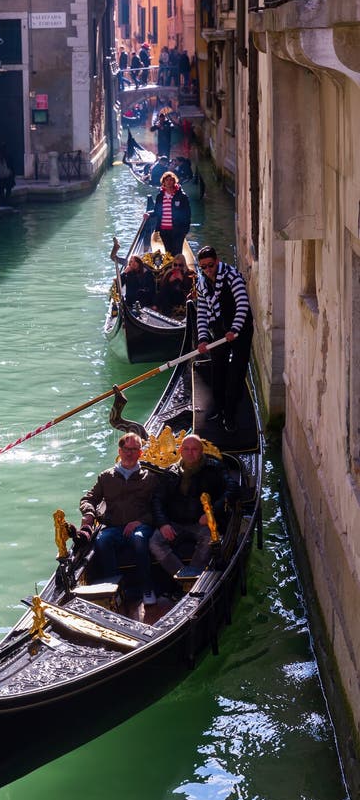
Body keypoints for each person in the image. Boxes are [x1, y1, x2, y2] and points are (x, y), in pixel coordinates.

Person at [79, 432, 159, 621]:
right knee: (102, 540)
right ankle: (116, 589)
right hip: (114, 527)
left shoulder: (149, 477)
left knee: (139, 539)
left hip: (141, 525)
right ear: (120, 451)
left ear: (140, 453)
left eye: (134, 449)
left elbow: (158, 507)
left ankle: (147, 588)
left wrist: (140, 521)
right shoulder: (106, 477)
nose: (129, 453)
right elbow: (88, 499)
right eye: (126, 449)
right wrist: (89, 513)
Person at [149, 434, 240, 578]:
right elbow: (157, 500)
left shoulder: (214, 468)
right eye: (186, 449)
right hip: (175, 523)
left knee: (209, 538)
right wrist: (163, 524)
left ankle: (194, 575)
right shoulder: (171, 472)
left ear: (201, 451)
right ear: (180, 451)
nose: (190, 453)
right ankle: (183, 576)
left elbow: (233, 488)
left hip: (201, 524)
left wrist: (212, 512)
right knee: (155, 542)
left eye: (194, 449)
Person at [196, 246, 254, 433]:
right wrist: (203, 338)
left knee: (236, 374)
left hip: (241, 330)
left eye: (210, 265)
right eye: (203, 267)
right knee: (218, 370)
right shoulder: (202, 284)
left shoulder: (232, 277)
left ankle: (230, 415)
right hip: (220, 331)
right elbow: (202, 312)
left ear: (217, 261)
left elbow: (242, 303)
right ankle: (218, 408)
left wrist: (234, 329)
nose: (208, 270)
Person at [152, 171, 191, 257]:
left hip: (178, 229)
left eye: (171, 180)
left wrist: (186, 229)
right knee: (168, 253)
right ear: (163, 182)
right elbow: (156, 211)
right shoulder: (160, 196)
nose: (169, 182)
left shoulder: (181, 196)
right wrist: (148, 214)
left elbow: (187, 214)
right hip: (164, 229)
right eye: (167, 180)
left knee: (177, 253)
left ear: (174, 181)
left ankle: (179, 265)